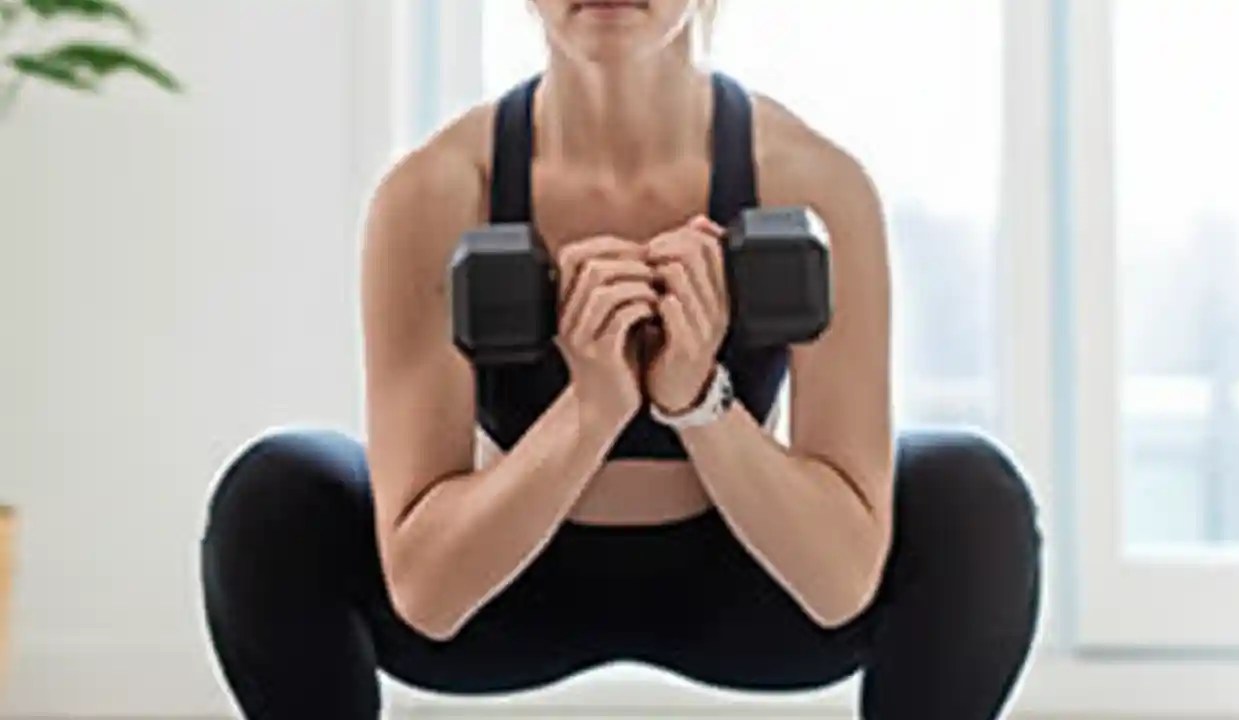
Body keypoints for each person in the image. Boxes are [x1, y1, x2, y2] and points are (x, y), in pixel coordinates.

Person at [199, 1, 1043, 717]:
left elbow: (838, 585)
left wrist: (697, 403)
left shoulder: (815, 187)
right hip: (508, 579)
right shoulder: (435, 193)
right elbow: (429, 596)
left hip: (747, 579)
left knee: (970, 501)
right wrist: (590, 409)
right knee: (274, 501)